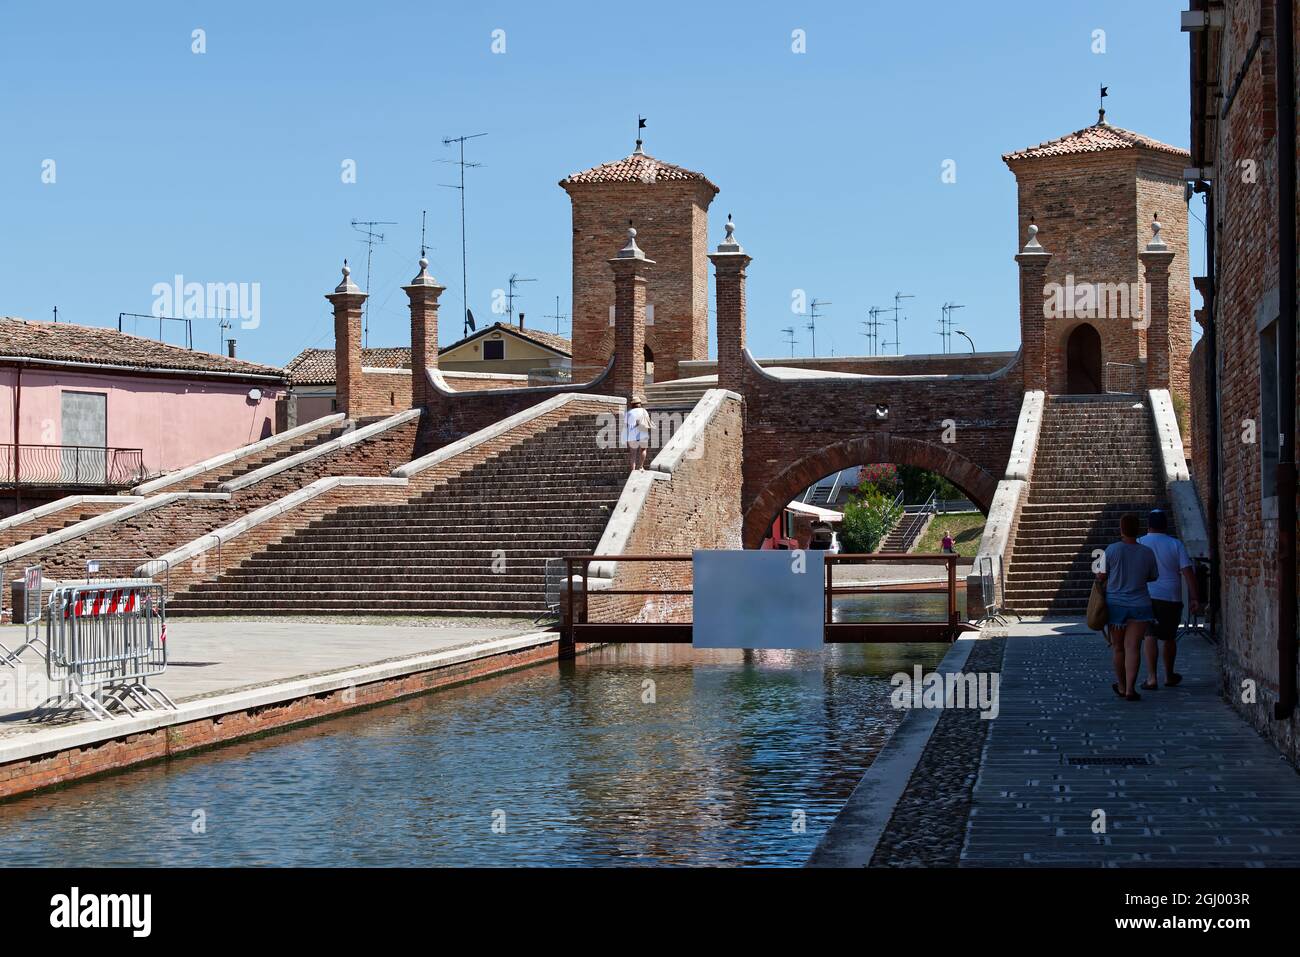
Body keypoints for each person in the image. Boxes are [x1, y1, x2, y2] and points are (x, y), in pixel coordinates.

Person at [1096, 512, 1158, 701]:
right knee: (1133, 648)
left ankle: (1121, 686)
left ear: (1121, 529)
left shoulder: (1112, 550)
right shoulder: (1147, 552)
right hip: (1140, 604)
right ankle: (1131, 689)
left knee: (1118, 648)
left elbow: (1100, 575)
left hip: (1116, 605)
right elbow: (1154, 576)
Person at [1137, 509, 1201, 690]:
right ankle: (1169, 675)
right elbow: (1187, 572)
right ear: (1165, 525)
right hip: (1171, 596)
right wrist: (1195, 598)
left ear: (1148, 525)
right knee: (1169, 637)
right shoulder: (1175, 544)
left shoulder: (1140, 542)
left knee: (1150, 634)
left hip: (1146, 595)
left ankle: (1151, 677)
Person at [623, 396, 651, 472]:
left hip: (632, 434)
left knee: (633, 454)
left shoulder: (629, 413)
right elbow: (648, 421)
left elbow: (625, 425)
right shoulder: (644, 411)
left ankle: (633, 470)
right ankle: (641, 466)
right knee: (643, 450)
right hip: (643, 432)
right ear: (640, 404)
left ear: (632, 404)